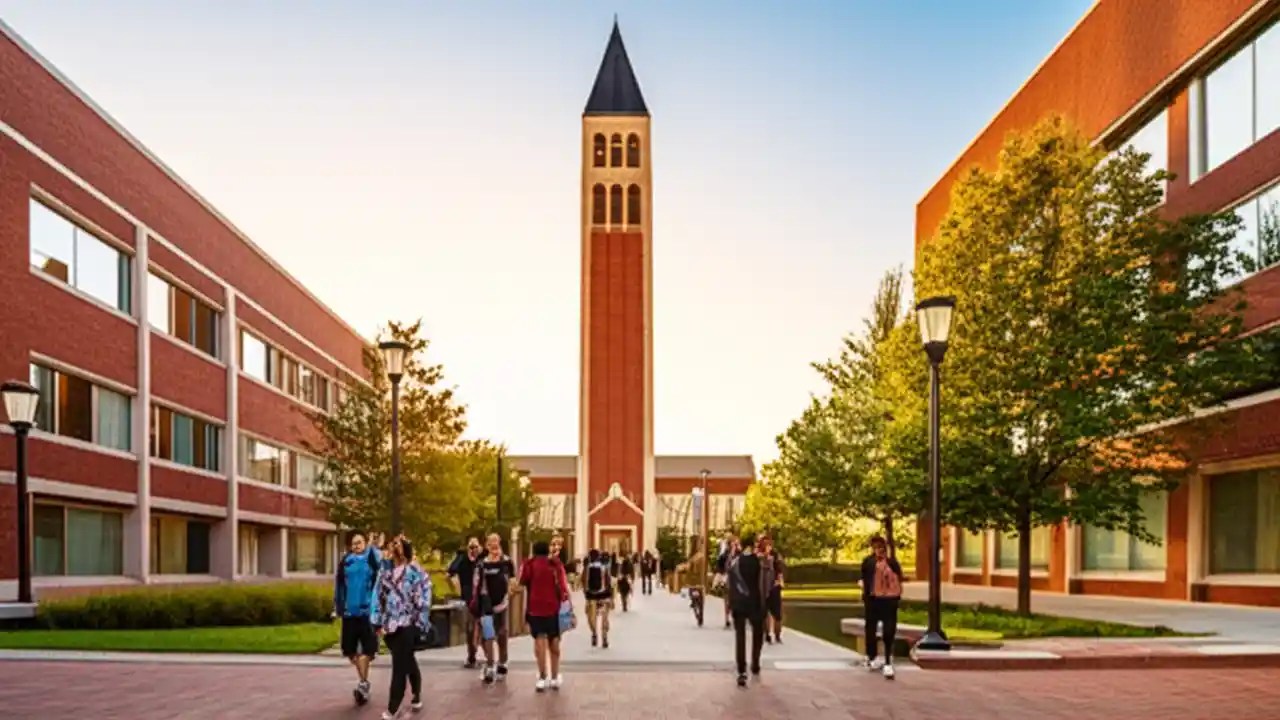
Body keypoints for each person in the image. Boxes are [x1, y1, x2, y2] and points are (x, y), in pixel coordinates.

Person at [371, 535, 432, 720]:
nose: (394, 547)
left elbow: (425, 596)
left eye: (398, 544)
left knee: (399, 666)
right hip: (390, 626)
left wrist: (420, 621)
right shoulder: (385, 572)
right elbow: (377, 596)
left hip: (408, 624)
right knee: (407, 660)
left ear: (405, 548)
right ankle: (417, 693)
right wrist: (376, 621)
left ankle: (393, 707)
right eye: (392, 544)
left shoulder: (415, 572)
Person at [333, 529, 382, 706]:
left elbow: (381, 576)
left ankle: (362, 684)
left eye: (360, 542)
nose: (357, 546)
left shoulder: (372, 558)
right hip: (349, 612)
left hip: (367, 613)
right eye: (354, 543)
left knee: (368, 650)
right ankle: (364, 682)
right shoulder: (345, 562)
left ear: (365, 543)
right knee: (349, 650)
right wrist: (338, 606)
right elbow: (339, 586)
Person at [520, 540, 571, 692]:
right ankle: (555, 677)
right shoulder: (555, 565)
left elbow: (522, 581)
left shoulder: (530, 564)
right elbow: (562, 586)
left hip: (535, 608)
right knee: (554, 643)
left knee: (540, 643)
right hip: (553, 608)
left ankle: (542, 677)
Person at [726, 533, 772, 687]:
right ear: (752, 544)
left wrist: (731, 603)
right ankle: (755, 662)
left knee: (740, 636)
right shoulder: (758, 561)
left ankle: (741, 670)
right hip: (754, 603)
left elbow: (730, 585)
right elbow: (764, 583)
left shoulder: (734, 562)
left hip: (738, 603)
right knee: (758, 633)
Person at [471, 533, 515, 683]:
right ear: (487, 545)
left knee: (502, 633)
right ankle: (490, 667)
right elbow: (476, 583)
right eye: (491, 542)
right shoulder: (482, 564)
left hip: (501, 602)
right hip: (486, 603)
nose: (494, 545)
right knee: (488, 634)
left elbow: (513, 580)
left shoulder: (507, 562)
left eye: (496, 541)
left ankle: (503, 662)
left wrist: (511, 590)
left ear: (500, 542)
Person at [860, 535, 904, 679]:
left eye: (880, 547)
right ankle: (872, 656)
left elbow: (898, 580)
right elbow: (865, 581)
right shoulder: (868, 562)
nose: (878, 550)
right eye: (876, 547)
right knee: (871, 630)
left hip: (888, 601)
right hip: (874, 601)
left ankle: (886, 661)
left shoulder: (891, 563)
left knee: (888, 631)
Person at [446, 537, 482, 669]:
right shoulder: (461, 559)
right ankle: (471, 654)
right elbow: (449, 574)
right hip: (468, 597)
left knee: (480, 626)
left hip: (482, 597)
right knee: (470, 627)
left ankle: (477, 651)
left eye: (475, 547)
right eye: (471, 547)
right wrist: (455, 588)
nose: (473, 550)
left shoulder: (482, 559)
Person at [582, 548, 614, 648]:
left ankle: (594, 633)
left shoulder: (587, 567)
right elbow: (609, 581)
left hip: (591, 595)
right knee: (605, 617)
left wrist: (586, 594)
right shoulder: (604, 566)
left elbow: (584, 581)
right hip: (605, 595)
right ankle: (604, 637)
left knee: (591, 617)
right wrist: (611, 597)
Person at [760, 535, 786, 644]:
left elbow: (780, 569)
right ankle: (767, 634)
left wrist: (779, 580)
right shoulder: (759, 556)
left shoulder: (776, 555)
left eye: (768, 544)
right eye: (764, 544)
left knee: (777, 614)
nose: (767, 546)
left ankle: (777, 635)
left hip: (774, 587)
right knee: (764, 613)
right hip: (763, 587)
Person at [715, 536, 740, 629]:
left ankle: (735, 617)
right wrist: (721, 576)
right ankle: (727, 619)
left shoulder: (740, 554)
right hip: (728, 579)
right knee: (728, 600)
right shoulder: (725, 555)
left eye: (737, 544)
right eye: (734, 543)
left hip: (738, 581)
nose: (735, 545)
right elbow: (720, 567)